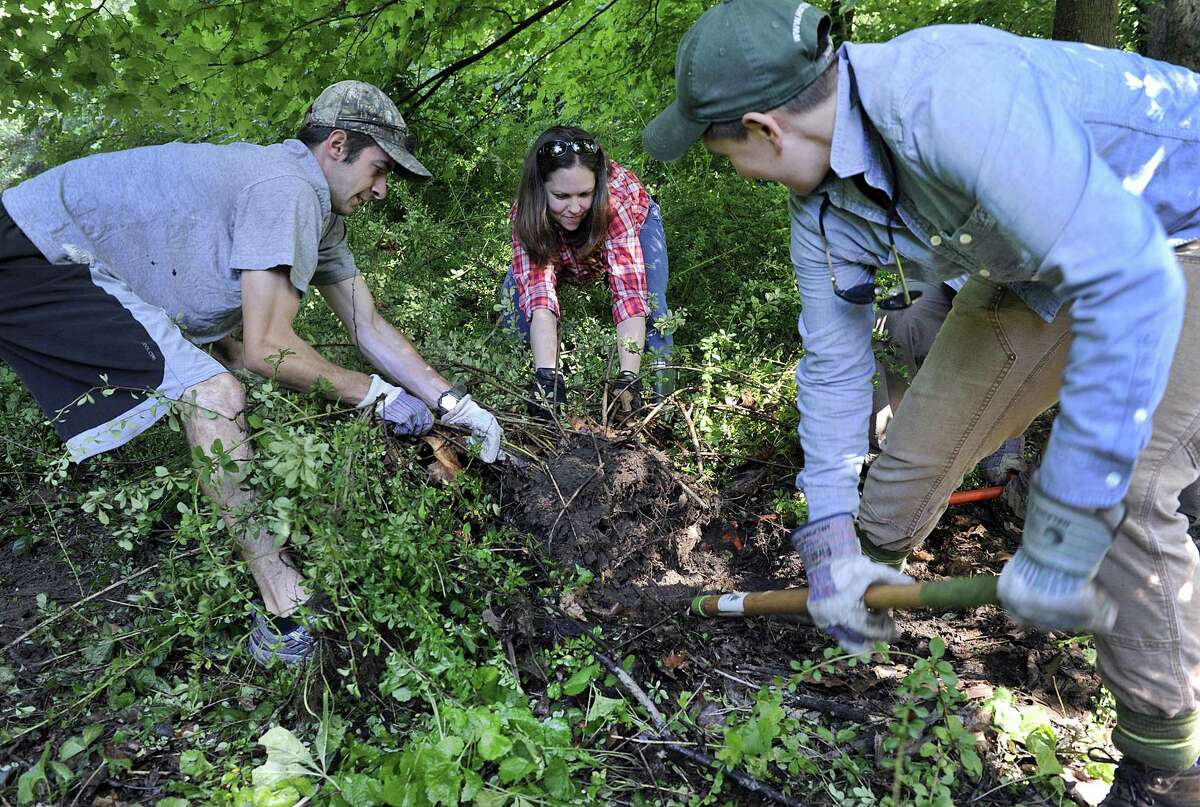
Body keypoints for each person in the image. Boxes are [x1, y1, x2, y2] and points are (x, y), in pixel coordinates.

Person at [644, 1, 1200, 802]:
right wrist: (832, 533)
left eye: (721, 150)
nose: (733, 169)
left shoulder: (947, 101)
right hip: (1038, 264)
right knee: (903, 472)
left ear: (766, 130)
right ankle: (860, 609)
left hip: (1174, 236)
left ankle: (1166, 767)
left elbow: (1129, 281)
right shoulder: (825, 210)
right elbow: (834, 364)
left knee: (1132, 492)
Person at [0, 80, 504, 667]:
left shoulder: (319, 212)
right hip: (38, 253)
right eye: (380, 168)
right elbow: (269, 349)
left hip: (55, 251)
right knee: (214, 393)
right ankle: (284, 611)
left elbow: (368, 326)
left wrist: (454, 405)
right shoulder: (287, 187)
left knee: (222, 371)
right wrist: (374, 395)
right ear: (336, 146)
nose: (383, 189)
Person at [500, 125, 674, 420]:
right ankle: (530, 391)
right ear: (540, 189)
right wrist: (547, 375)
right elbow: (540, 297)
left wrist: (626, 377)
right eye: (561, 195)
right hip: (555, 237)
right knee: (514, 308)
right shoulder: (526, 215)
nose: (575, 207)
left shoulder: (615, 204)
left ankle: (663, 410)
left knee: (654, 309)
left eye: (584, 194)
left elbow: (629, 296)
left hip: (633, 222)